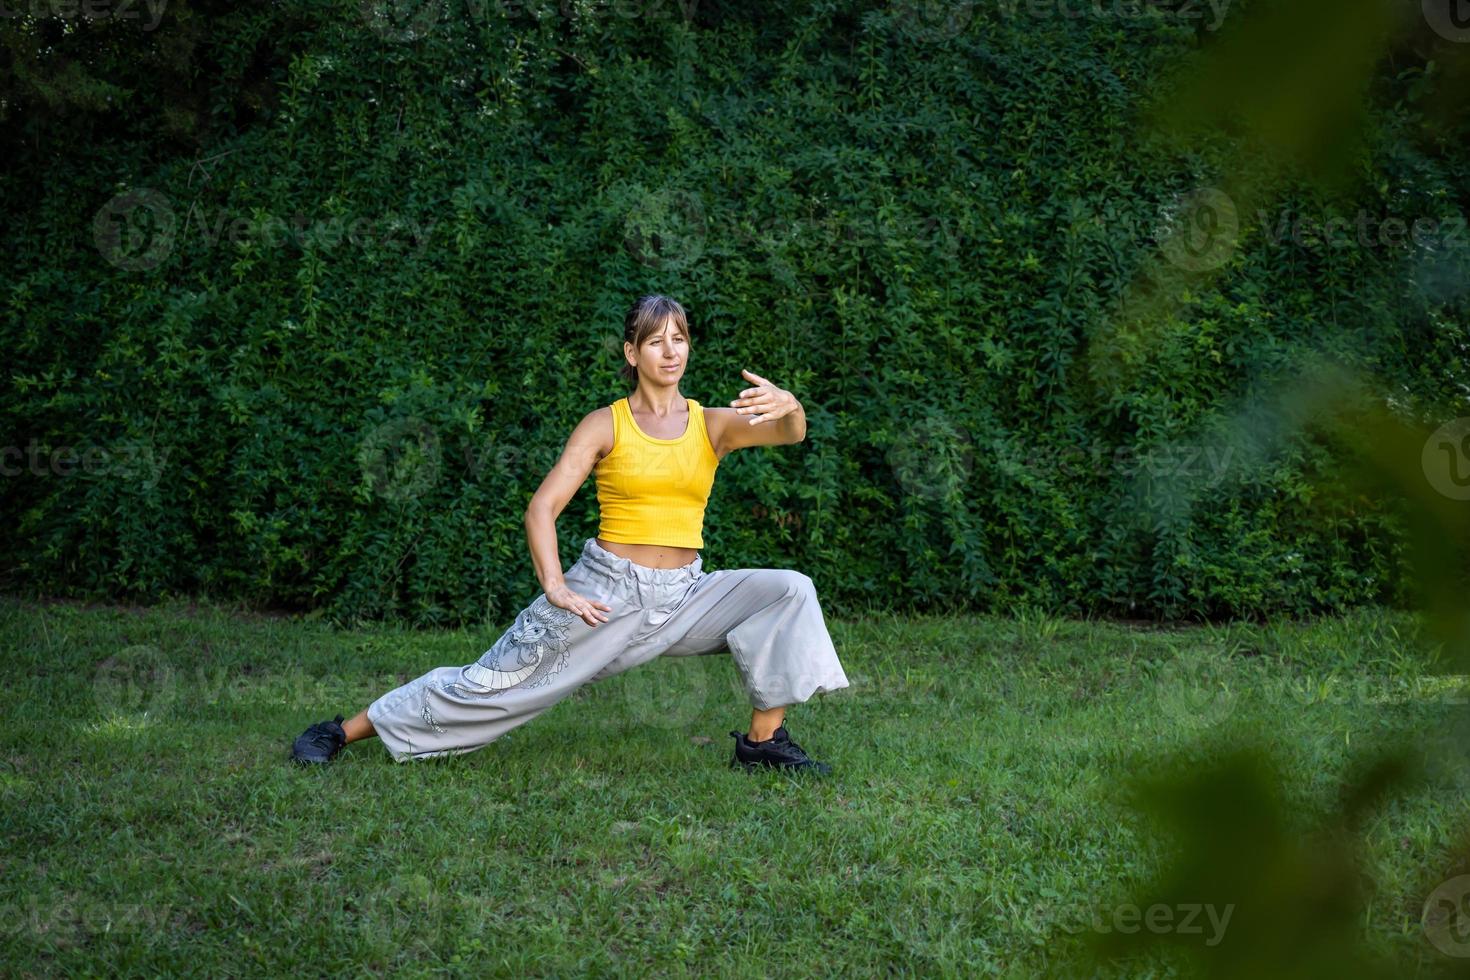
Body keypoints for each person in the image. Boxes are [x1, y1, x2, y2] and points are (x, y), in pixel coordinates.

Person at [289, 294, 850, 773]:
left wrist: (791, 406)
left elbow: (790, 434)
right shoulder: (605, 424)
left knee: (789, 589)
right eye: (656, 341)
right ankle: (343, 730)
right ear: (632, 354)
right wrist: (556, 586)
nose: (670, 350)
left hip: (684, 594)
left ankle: (762, 744)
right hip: (604, 598)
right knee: (488, 684)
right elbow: (542, 508)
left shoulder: (712, 424)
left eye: (679, 338)